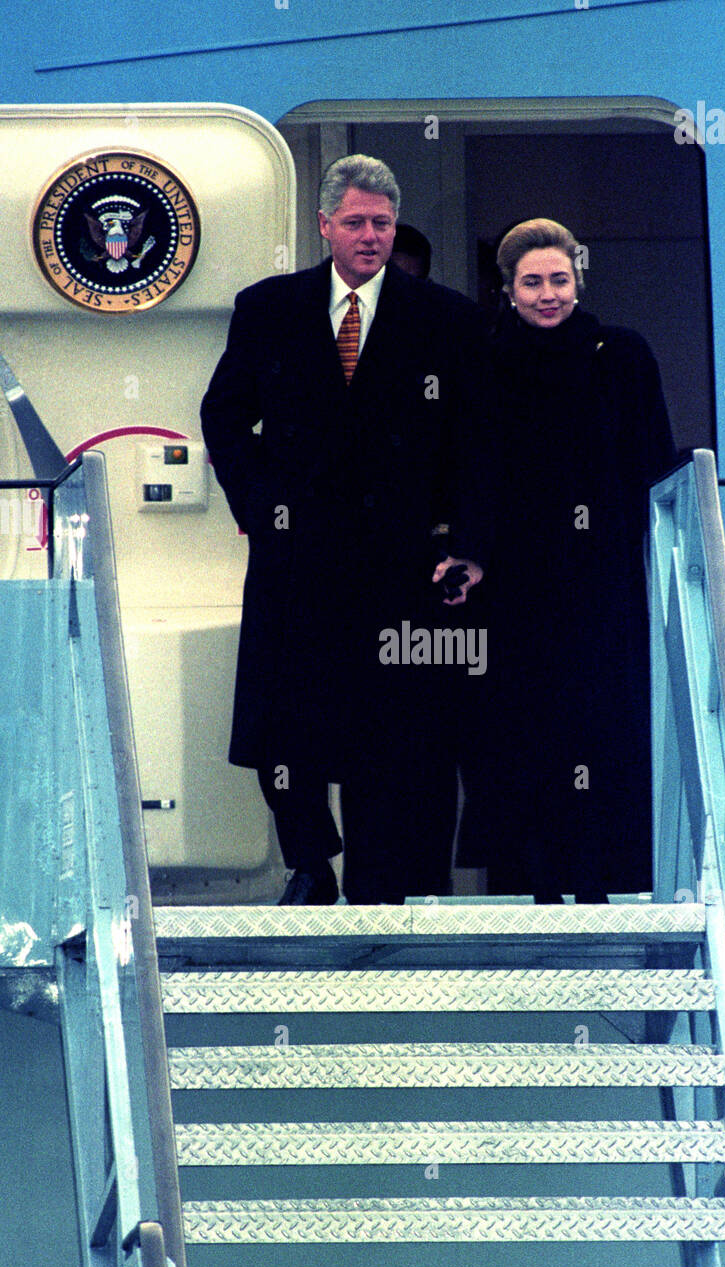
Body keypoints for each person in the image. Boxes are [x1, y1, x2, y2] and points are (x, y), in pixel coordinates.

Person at [201, 155, 494, 905]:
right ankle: (310, 861)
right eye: (357, 222)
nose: (370, 236)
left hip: (400, 560)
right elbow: (225, 417)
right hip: (296, 554)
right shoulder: (268, 307)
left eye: (383, 224)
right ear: (326, 225)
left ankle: (379, 886)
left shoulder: (446, 317)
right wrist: (261, 509)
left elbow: (475, 439)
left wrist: (465, 543)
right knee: (283, 724)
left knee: (390, 732)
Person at [462, 217, 676, 903]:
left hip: (603, 582)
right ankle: (533, 884)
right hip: (517, 586)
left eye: (559, 279)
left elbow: (653, 466)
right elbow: (471, 471)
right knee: (521, 736)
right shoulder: (486, 358)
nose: (548, 294)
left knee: (602, 725)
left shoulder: (624, 355)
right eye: (532, 282)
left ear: (579, 280)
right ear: (508, 289)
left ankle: (601, 880)